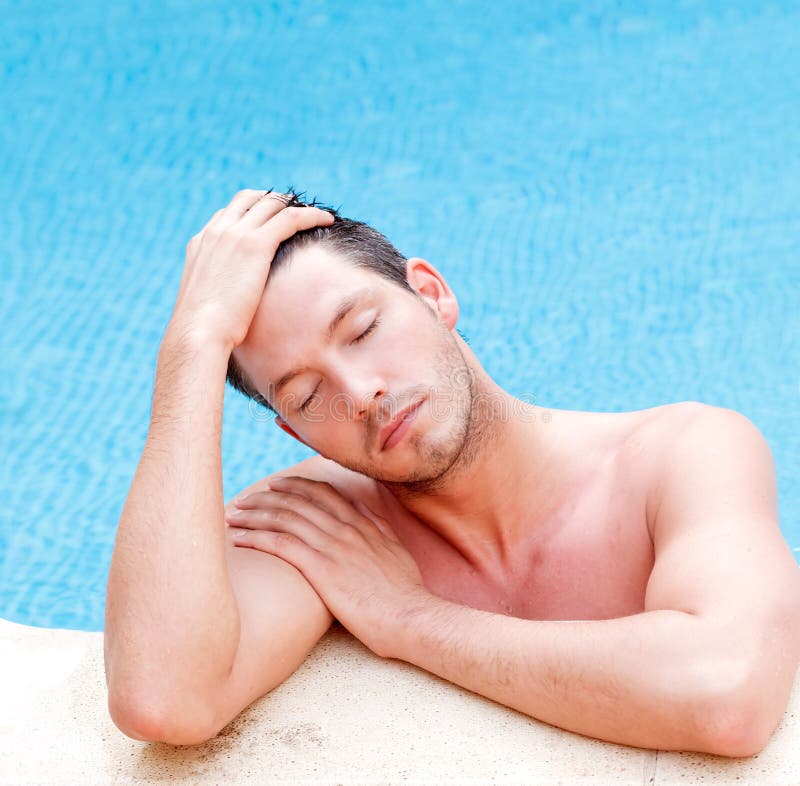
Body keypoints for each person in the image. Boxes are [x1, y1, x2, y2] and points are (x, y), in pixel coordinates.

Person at [104, 189, 800, 756]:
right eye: (308, 397)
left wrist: (410, 620)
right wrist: (191, 345)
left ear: (432, 294)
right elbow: (165, 698)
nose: (360, 392)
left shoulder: (680, 454)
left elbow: (726, 694)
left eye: (363, 329)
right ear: (292, 431)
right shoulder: (325, 526)